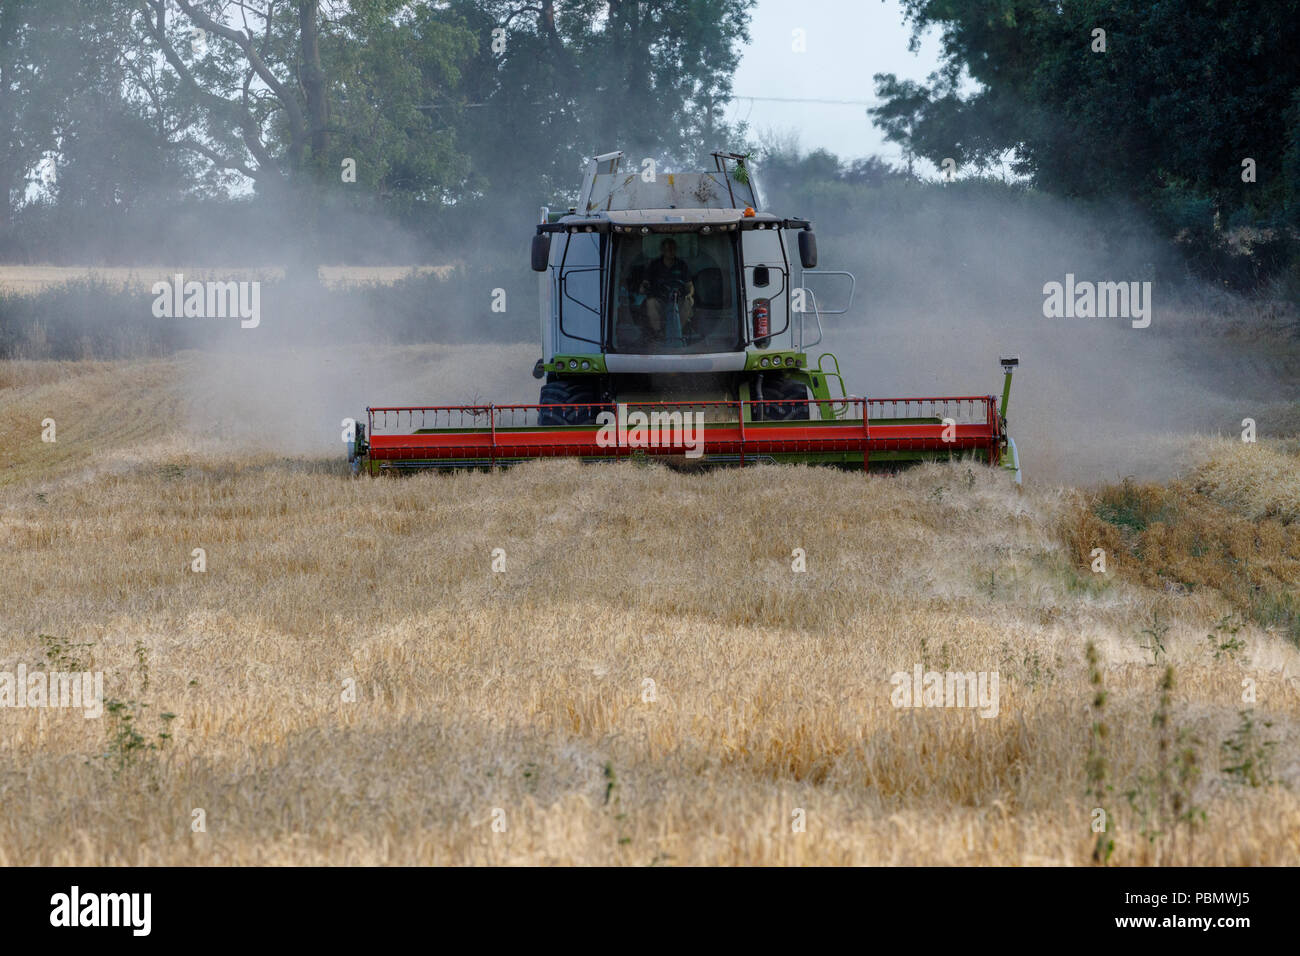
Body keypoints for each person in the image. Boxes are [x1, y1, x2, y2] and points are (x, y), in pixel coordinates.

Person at [639, 238, 694, 337]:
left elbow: (689, 285)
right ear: (662, 250)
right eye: (668, 249)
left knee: (688, 302)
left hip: (678, 300)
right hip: (659, 299)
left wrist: (690, 294)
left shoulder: (682, 265)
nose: (671, 251)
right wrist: (643, 287)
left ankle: (677, 333)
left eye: (673, 249)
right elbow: (645, 283)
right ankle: (658, 333)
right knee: (650, 302)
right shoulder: (654, 265)